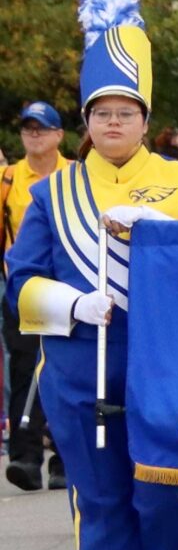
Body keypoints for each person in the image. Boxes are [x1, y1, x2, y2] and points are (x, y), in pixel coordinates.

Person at [5, 0, 178, 550]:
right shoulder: (54, 191)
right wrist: (72, 303)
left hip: (163, 365)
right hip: (79, 366)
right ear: (87, 122)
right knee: (99, 504)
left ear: (146, 121)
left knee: (163, 501)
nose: (114, 123)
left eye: (126, 111)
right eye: (102, 112)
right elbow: (19, 284)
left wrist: (158, 230)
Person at [4, 102, 70, 493]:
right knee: (24, 371)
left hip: (68, 291)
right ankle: (25, 458)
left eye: (42, 129)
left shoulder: (76, 176)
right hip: (24, 291)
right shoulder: (8, 179)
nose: (34, 135)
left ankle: (64, 459)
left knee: (64, 372)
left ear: (59, 135)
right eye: (28, 128)